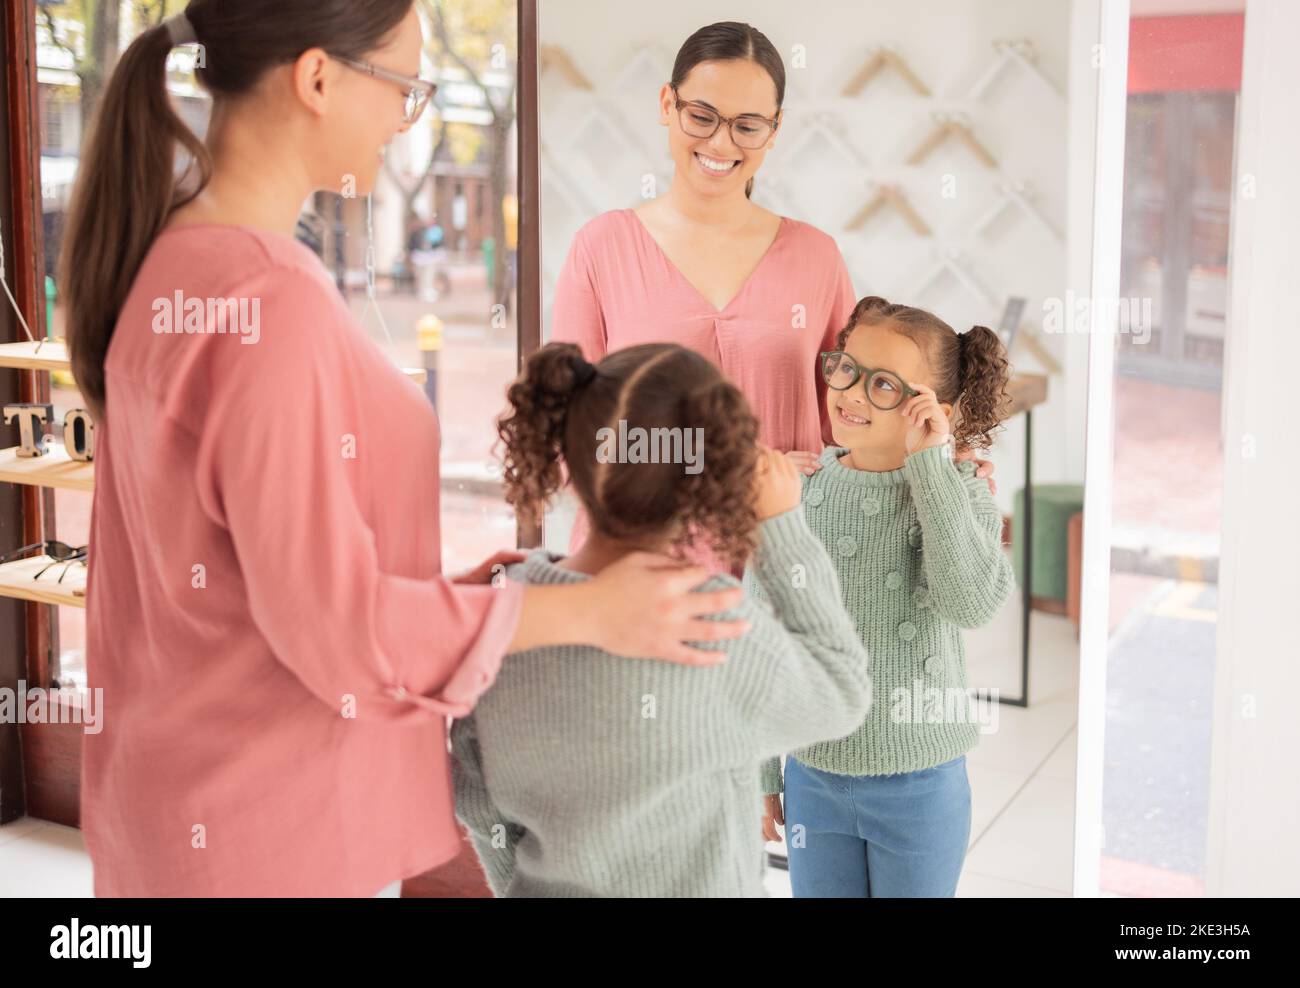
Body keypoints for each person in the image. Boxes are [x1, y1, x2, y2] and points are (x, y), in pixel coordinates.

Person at [58, 0, 748, 898]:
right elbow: (338, 631)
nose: (403, 116)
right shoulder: (268, 298)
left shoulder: (175, 263)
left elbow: (243, 582)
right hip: (265, 836)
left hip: (182, 817)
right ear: (315, 78)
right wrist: (595, 613)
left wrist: (477, 600)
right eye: (402, 87)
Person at [551, 21, 995, 573]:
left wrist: (935, 459)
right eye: (702, 115)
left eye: (747, 125)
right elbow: (569, 438)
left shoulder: (816, 257)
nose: (720, 142)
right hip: (638, 562)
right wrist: (734, 473)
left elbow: (853, 418)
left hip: (785, 560)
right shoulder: (602, 248)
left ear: (775, 128)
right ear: (668, 103)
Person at [451, 341, 872, 896]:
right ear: (709, 484)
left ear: (574, 462)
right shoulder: (707, 619)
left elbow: (482, 810)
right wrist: (782, 528)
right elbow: (841, 694)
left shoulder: (496, 616)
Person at [755, 296, 1017, 897]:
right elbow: (765, 638)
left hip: (921, 783)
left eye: (884, 385)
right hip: (814, 776)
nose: (849, 392)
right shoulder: (799, 489)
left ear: (937, 412)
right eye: (845, 367)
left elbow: (970, 604)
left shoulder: (962, 493)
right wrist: (764, 767)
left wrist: (932, 466)